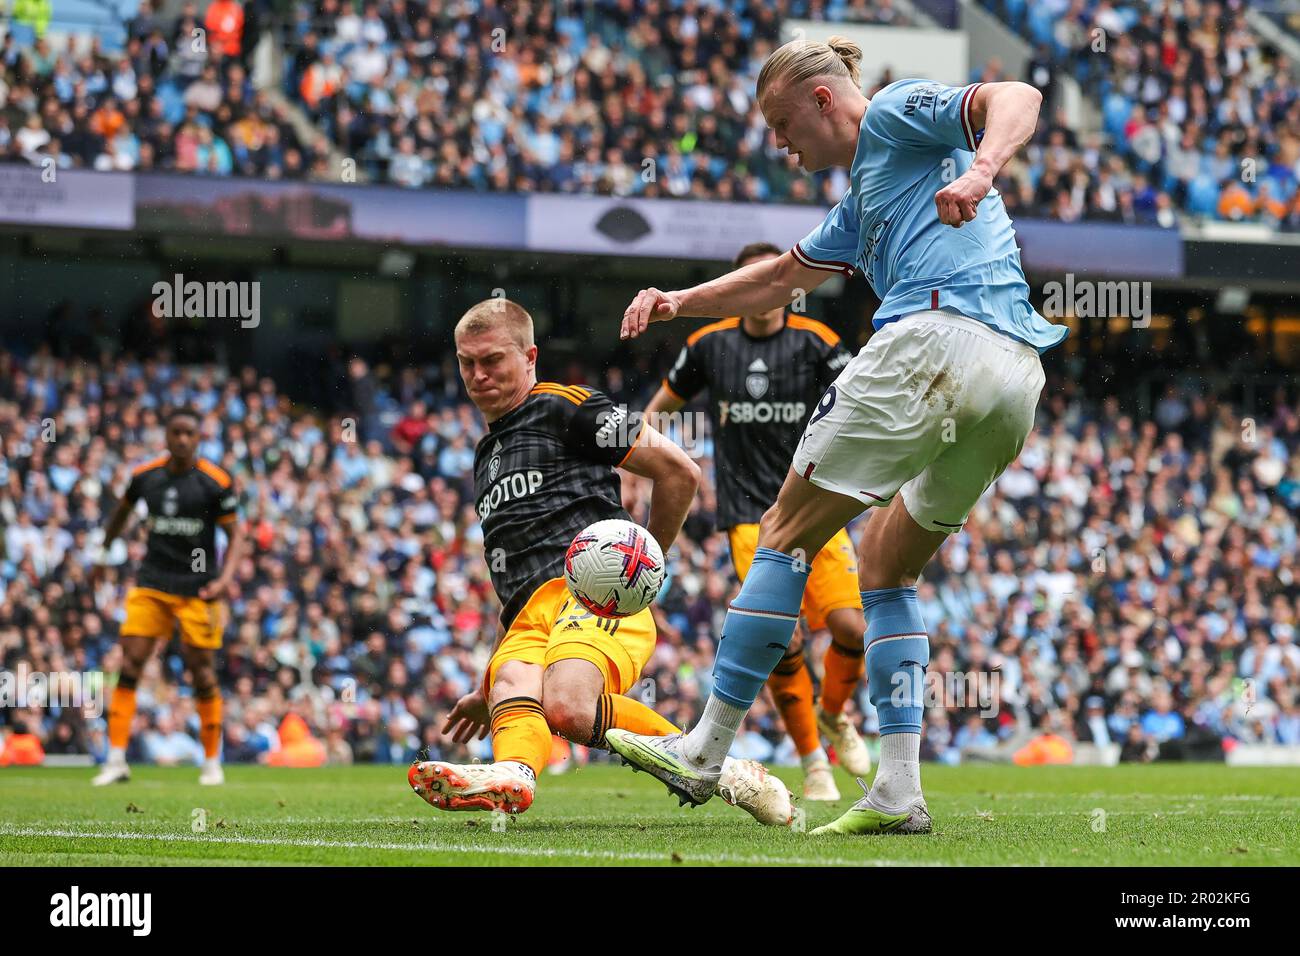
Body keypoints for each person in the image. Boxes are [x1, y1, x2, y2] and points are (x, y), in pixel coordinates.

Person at [608, 36, 1064, 836]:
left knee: (782, 531)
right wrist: (680, 299)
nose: (782, 144)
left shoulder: (891, 115)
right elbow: (782, 275)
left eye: (784, 124)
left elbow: (1018, 94)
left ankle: (706, 749)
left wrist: (982, 168)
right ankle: (896, 789)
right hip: (1013, 379)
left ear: (823, 100)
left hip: (934, 340)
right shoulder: (861, 202)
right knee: (885, 570)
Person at [407, 299, 790, 825]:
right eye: (466, 362)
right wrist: (484, 682)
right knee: (512, 683)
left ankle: (719, 767)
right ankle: (512, 775)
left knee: (566, 707)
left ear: (530, 356)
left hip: (594, 592)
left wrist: (642, 569)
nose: (478, 374)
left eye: (492, 360)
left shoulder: (567, 407)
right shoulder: (485, 454)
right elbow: (510, 582)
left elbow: (679, 471)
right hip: (527, 613)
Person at [640, 240, 871, 801]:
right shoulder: (707, 345)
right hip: (752, 516)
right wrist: (636, 459)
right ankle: (814, 762)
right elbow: (657, 410)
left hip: (817, 507)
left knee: (851, 630)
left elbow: (862, 403)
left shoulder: (818, 343)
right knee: (782, 638)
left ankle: (835, 714)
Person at [92, 407, 245, 786]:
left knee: (201, 671)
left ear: (198, 438)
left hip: (199, 587)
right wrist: (103, 551)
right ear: (165, 435)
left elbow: (237, 533)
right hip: (153, 583)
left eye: (189, 434)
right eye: (175, 432)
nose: (181, 440)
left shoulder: (215, 482)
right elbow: (121, 512)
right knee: (130, 664)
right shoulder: (146, 477)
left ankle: (211, 762)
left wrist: (226, 578)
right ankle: (115, 760)